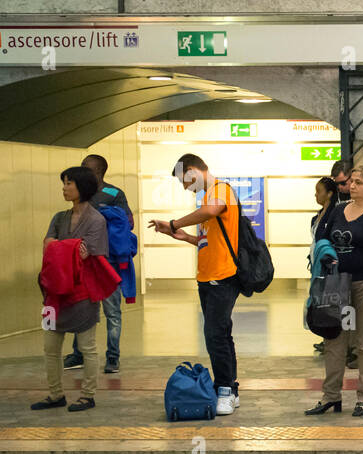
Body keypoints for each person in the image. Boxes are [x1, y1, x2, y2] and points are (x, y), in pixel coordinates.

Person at [147, 154, 242, 416]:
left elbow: (211, 211)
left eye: (184, 181)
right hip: (208, 276)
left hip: (222, 276)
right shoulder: (207, 196)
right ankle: (230, 390)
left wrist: (175, 222)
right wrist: (183, 236)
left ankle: (223, 389)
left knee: (215, 335)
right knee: (221, 333)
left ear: (192, 171)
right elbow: (207, 241)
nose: (185, 187)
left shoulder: (221, 190)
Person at [304, 164, 363, 417]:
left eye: (359, 183)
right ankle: (331, 396)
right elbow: (322, 237)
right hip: (338, 284)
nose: (352, 186)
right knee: (334, 339)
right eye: (351, 181)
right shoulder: (339, 210)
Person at [32, 166, 112, 412]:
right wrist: (69, 248)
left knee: (87, 347)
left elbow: (89, 254)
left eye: (69, 183)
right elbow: (49, 247)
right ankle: (56, 394)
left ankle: (88, 395)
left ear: (82, 187)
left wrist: (60, 247)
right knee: (50, 347)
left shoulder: (96, 220)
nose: (64, 188)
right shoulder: (59, 217)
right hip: (53, 292)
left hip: (83, 293)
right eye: (64, 183)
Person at [64, 153, 132, 374]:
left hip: (108, 261)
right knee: (80, 307)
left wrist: (102, 217)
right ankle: (78, 354)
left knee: (112, 311)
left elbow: (128, 221)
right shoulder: (79, 193)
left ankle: (113, 357)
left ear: (99, 172)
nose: (81, 170)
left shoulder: (113, 193)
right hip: (83, 262)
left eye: (86, 167)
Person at [310, 176, 339, 356]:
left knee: (329, 301)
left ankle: (333, 337)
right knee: (319, 300)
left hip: (328, 265)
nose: (316, 195)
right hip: (316, 263)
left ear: (329, 194)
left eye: (319, 191)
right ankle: (324, 335)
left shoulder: (335, 215)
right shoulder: (316, 216)